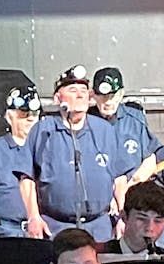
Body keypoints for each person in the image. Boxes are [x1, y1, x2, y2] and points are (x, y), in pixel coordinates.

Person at [17, 65, 134, 242]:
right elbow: (26, 178)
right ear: (58, 98)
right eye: (72, 90)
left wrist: (123, 217)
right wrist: (33, 217)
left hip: (99, 228)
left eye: (83, 91)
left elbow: (119, 179)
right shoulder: (43, 131)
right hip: (56, 227)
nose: (80, 95)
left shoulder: (105, 130)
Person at [89, 67, 164, 186]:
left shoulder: (135, 120)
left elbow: (155, 153)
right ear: (93, 95)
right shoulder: (85, 123)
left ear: (121, 94)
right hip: (100, 189)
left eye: (113, 96)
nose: (108, 102)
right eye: (103, 96)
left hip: (133, 189)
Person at [0, 86, 40, 237]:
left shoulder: (47, 147)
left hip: (42, 231)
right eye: (23, 114)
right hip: (4, 233)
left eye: (34, 114)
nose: (30, 119)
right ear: (9, 117)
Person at [103, 181, 164, 256]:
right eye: (142, 219)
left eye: (158, 221)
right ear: (124, 217)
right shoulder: (101, 254)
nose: (150, 228)